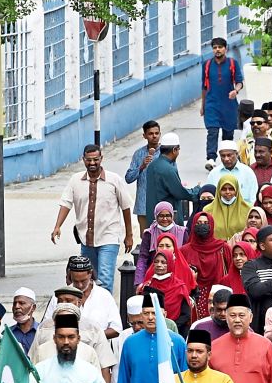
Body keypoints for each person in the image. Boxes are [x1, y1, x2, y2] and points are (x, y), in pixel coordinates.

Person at [51, 144, 134, 290]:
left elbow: (125, 207)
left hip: (109, 237)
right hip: (86, 239)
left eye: (96, 159)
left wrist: (129, 235)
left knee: (105, 278)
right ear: (83, 160)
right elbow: (66, 203)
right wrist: (57, 226)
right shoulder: (75, 180)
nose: (92, 163)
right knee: (89, 278)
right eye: (89, 160)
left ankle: (105, 304)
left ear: (101, 159)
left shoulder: (114, 180)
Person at [142, 133, 202, 227]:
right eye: (178, 150)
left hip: (154, 216)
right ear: (174, 150)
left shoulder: (153, 165)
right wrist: (197, 190)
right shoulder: (168, 169)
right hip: (167, 219)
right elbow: (179, 193)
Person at [201, 37, 244, 169]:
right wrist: (203, 106)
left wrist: (235, 91)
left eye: (220, 47)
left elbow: (239, 82)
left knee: (228, 134)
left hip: (228, 105)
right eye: (215, 48)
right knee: (212, 131)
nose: (217, 50)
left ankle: (227, 158)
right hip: (211, 104)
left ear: (225, 48)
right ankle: (211, 159)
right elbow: (204, 87)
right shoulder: (207, 65)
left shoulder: (232, 63)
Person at [126, 121, 162, 233]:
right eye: (150, 133)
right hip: (143, 206)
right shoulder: (138, 154)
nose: (154, 136)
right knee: (146, 236)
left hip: (162, 204)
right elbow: (128, 178)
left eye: (156, 133)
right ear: (144, 136)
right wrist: (141, 166)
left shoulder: (166, 152)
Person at [204, 140, 257, 206]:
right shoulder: (213, 174)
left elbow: (253, 199)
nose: (226, 159)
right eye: (223, 156)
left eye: (229, 155)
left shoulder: (248, 173)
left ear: (237, 154)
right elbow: (208, 197)